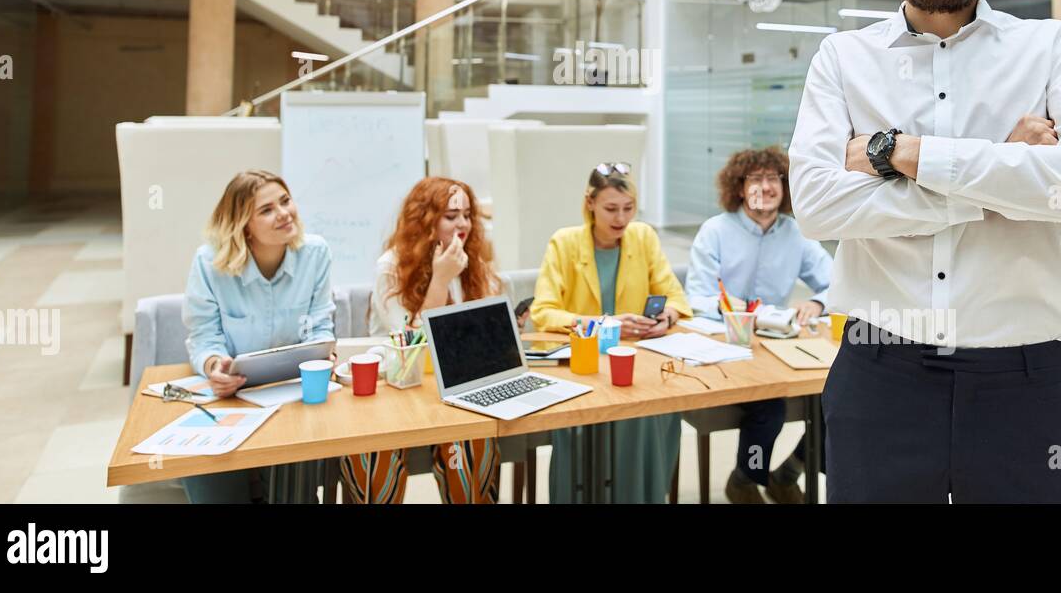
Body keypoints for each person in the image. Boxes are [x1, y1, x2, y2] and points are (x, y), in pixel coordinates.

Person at [788, 0, 1061, 503]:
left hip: (1026, 390)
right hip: (877, 381)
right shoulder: (842, 59)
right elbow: (821, 207)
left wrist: (905, 154)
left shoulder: (1056, 48)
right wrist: (1003, 167)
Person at [532, 162, 692, 503]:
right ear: (589, 203)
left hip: (635, 362)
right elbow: (543, 312)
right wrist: (608, 323)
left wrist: (666, 315)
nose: (621, 219)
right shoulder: (564, 243)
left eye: (628, 208)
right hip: (584, 364)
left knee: (652, 411)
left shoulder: (643, 237)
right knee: (600, 414)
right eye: (610, 209)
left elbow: (676, 296)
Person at [340, 177, 504, 504]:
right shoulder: (391, 267)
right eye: (451, 215)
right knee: (372, 455)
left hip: (451, 389)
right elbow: (408, 348)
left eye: (467, 214)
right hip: (396, 387)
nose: (463, 224)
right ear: (426, 221)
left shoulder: (472, 262)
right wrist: (440, 281)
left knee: (471, 447)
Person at [685, 145, 832, 504]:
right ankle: (746, 478)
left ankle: (790, 472)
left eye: (774, 179)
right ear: (739, 188)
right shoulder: (714, 231)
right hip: (730, 345)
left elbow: (837, 281)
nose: (765, 187)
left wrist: (816, 302)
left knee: (839, 400)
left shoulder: (795, 232)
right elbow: (696, 299)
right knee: (770, 408)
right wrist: (727, 307)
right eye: (756, 180)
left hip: (779, 343)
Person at [182, 169, 336, 504]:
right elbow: (204, 336)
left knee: (296, 488)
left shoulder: (315, 253)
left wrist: (325, 353)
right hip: (231, 400)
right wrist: (213, 367)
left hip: (291, 396)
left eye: (285, 201)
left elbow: (321, 325)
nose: (284, 213)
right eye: (266, 210)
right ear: (243, 226)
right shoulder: (208, 263)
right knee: (213, 481)